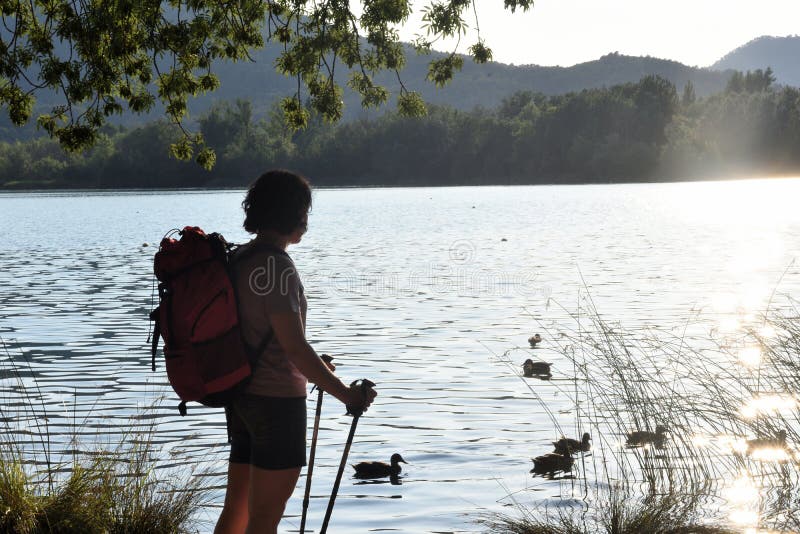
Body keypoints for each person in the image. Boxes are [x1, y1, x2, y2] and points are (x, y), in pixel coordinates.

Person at [215, 169, 377, 534]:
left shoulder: (239, 259)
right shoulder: (278, 267)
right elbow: (295, 349)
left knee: (235, 512)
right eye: (304, 209)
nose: (307, 219)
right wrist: (347, 395)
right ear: (293, 213)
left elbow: (264, 335)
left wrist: (316, 366)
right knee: (264, 521)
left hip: (241, 400)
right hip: (276, 406)